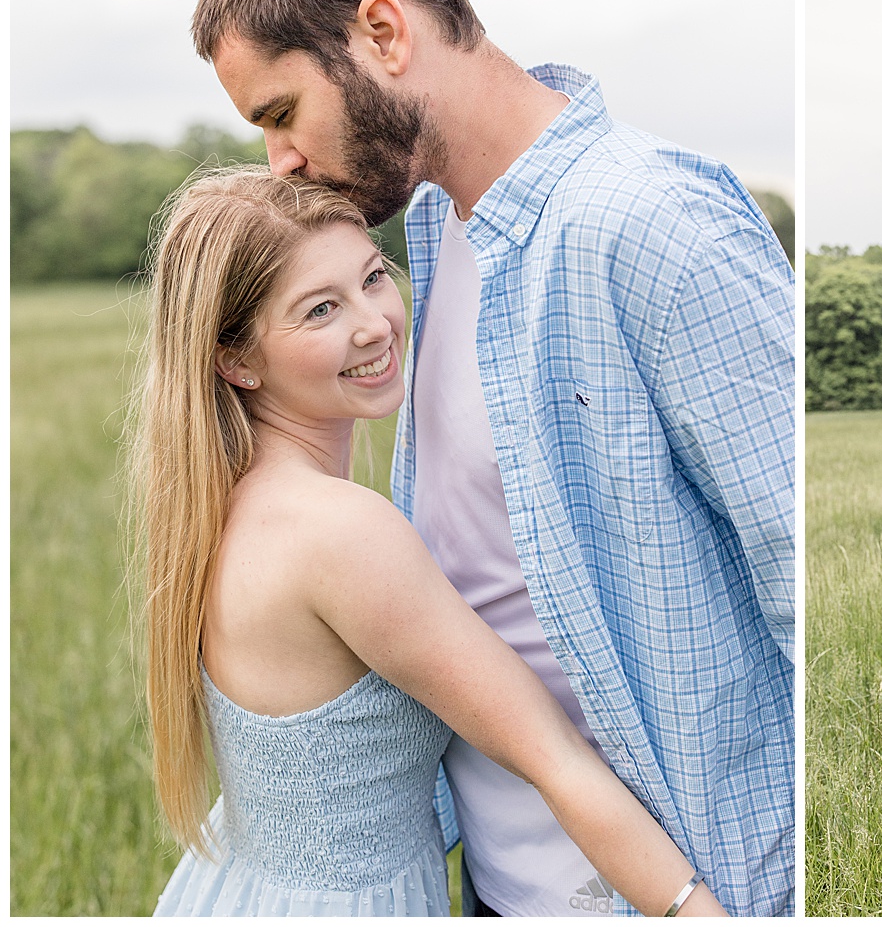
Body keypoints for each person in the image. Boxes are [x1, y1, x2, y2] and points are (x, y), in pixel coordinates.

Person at [189, 0, 795, 916]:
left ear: (384, 32)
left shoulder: (651, 225)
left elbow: (799, 571)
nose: (280, 160)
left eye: (282, 114)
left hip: (686, 887)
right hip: (496, 883)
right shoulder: (434, 226)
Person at [133, 170, 726, 917]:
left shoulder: (225, 504)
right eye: (320, 309)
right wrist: (694, 909)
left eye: (373, 277)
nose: (375, 324)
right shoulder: (339, 532)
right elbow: (554, 760)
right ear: (237, 360)